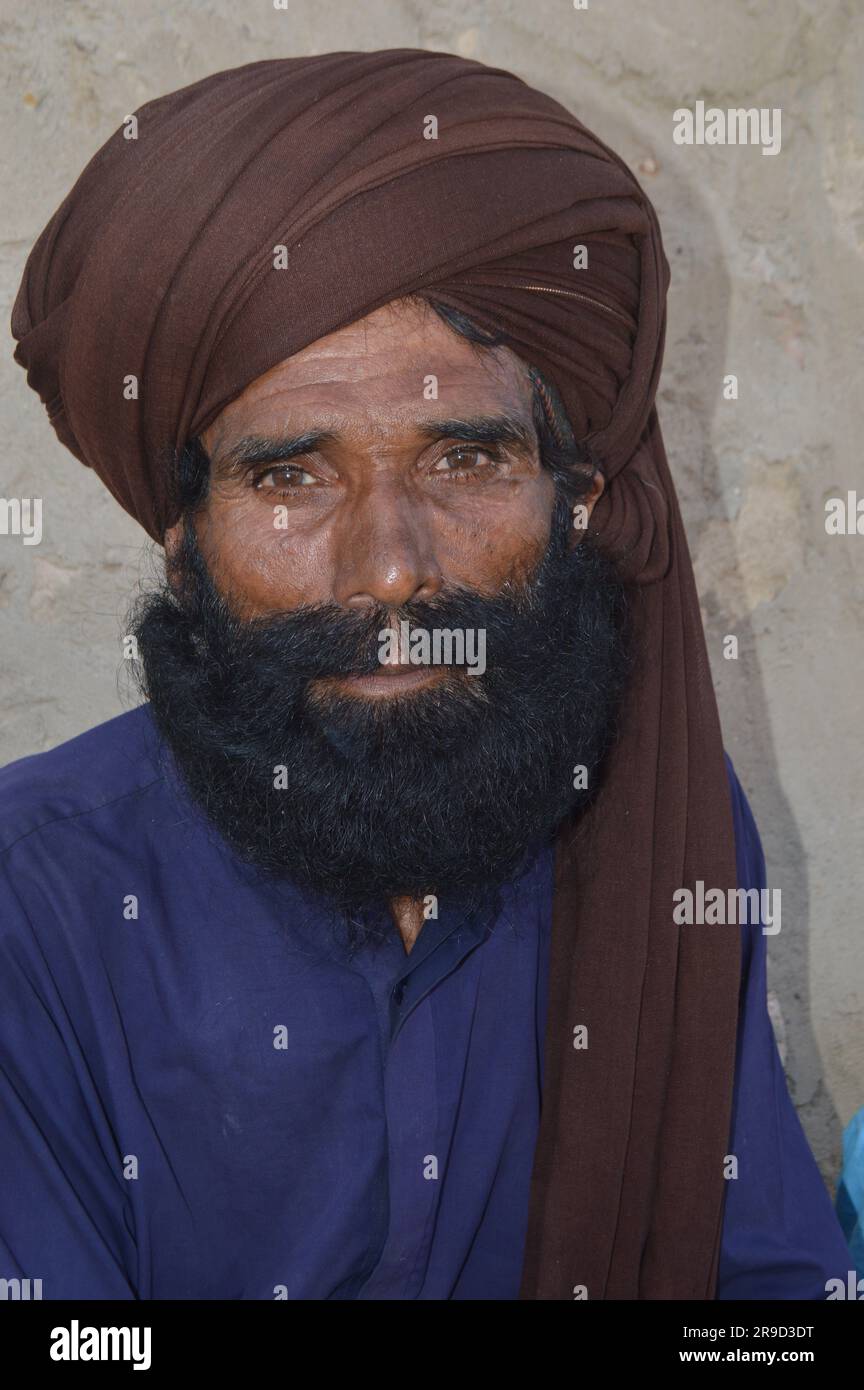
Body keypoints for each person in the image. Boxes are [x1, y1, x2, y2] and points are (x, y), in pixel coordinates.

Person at [3, 50, 851, 1300]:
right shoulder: (34, 902)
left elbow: (765, 1292)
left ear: (579, 503)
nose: (391, 571)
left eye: (464, 461)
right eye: (291, 476)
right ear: (181, 542)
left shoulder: (662, 824)